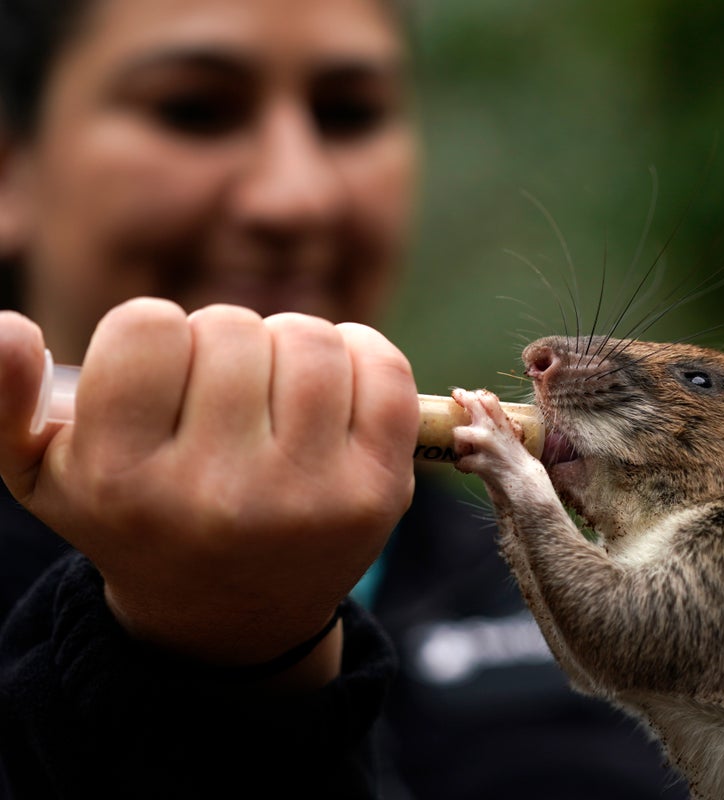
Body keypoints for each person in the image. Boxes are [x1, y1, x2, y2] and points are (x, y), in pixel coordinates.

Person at [0, 0, 685, 796]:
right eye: (192, 110)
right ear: (12, 166)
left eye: (350, 114)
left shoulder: (562, 610)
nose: (297, 198)